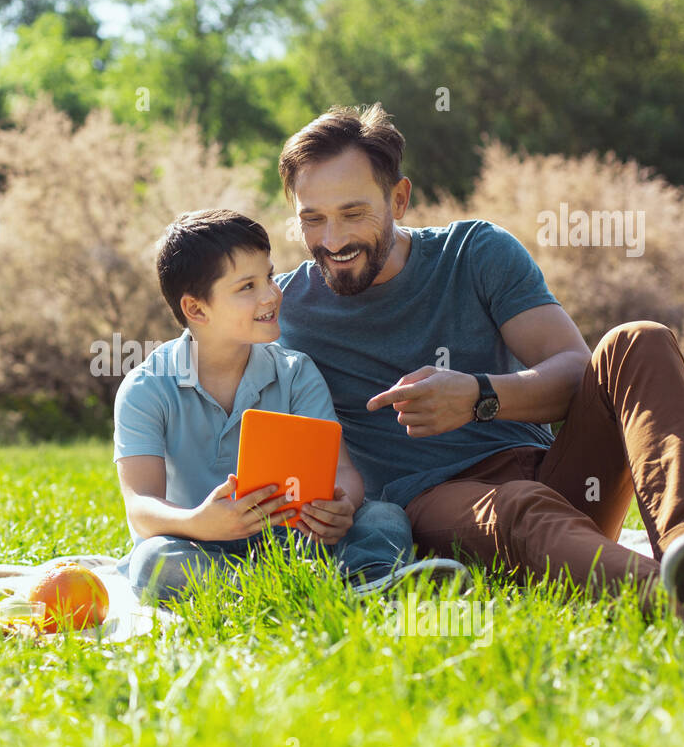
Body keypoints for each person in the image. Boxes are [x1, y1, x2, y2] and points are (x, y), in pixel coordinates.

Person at [273, 102, 684, 628]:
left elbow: (574, 370)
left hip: (561, 479)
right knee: (519, 505)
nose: (332, 240)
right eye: (312, 219)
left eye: (353, 213)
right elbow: (207, 372)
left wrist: (478, 396)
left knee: (638, 340)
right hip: (437, 505)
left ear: (398, 198)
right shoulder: (282, 311)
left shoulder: (474, 252)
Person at [114, 208, 465, 604]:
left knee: (383, 516)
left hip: (294, 541)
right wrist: (200, 522)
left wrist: (341, 506)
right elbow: (141, 506)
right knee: (152, 561)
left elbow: (343, 472)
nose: (271, 294)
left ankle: (366, 581)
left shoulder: (296, 372)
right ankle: (299, 591)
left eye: (268, 276)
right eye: (247, 286)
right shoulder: (146, 388)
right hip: (200, 543)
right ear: (196, 309)